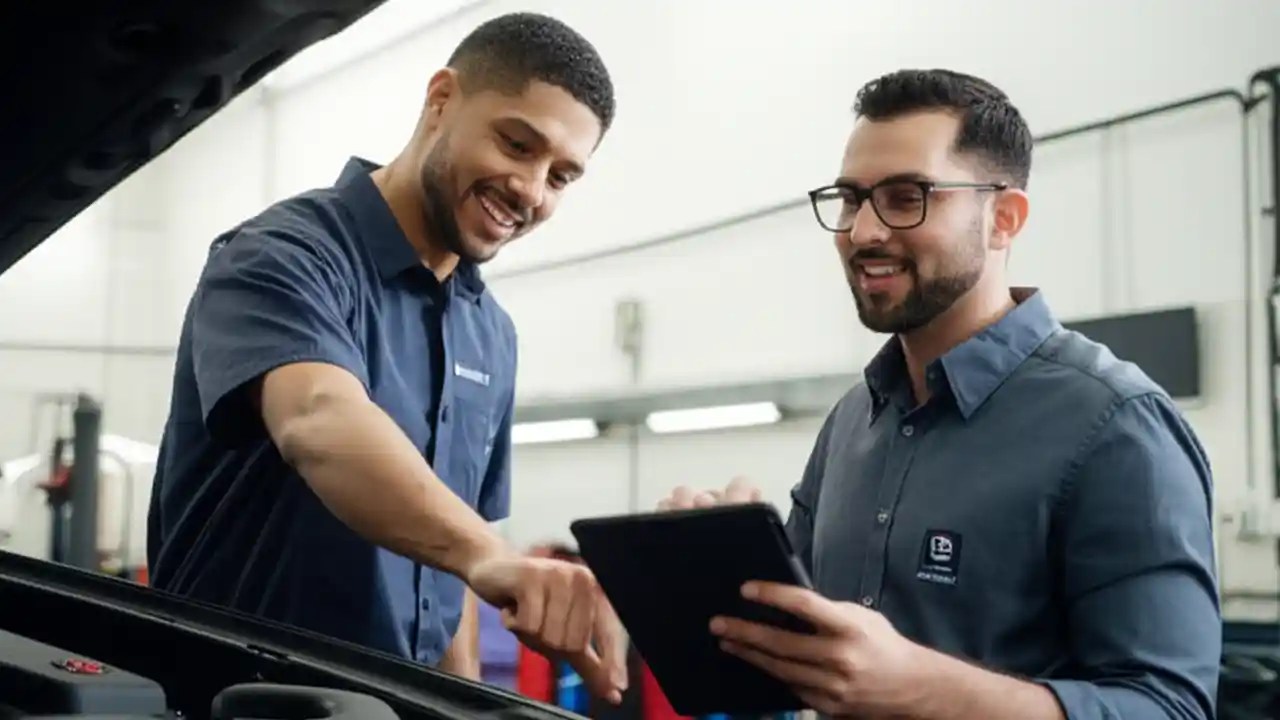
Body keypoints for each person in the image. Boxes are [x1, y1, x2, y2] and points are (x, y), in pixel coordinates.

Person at [660, 69, 1219, 720]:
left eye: (907, 197)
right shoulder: (851, 424)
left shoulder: (1116, 426)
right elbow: (800, 659)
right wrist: (719, 582)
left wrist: (919, 687)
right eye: (850, 198)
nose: (863, 231)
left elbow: (1170, 708)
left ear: (1002, 219)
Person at [146, 12, 627, 703]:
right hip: (235, 699)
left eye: (562, 176)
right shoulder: (282, 256)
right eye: (517, 144)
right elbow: (318, 417)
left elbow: (451, 563)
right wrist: (489, 557)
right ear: (441, 100)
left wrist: (461, 701)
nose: (531, 190)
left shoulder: (490, 332)